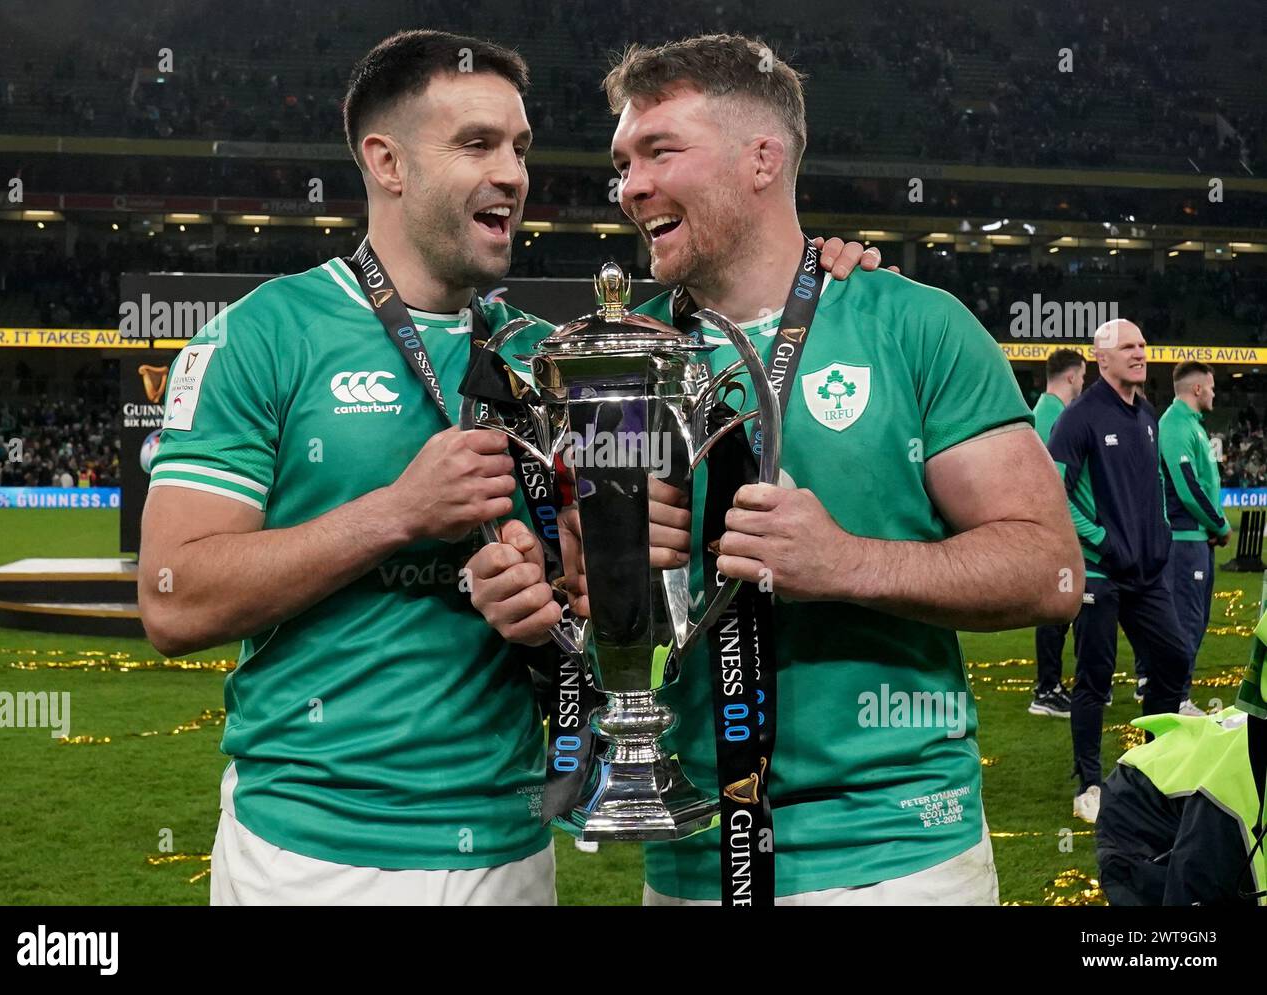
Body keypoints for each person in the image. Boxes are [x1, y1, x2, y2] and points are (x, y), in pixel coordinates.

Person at [139, 29, 887, 907]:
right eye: (477, 144)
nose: (513, 174)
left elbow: (600, 582)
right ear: (386, 161)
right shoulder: (258, 338)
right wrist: (398, 512)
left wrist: (825, 271)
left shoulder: (548, 360)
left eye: (521, 148)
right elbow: (173, 595)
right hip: (313, 849)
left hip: (513, 842)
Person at [467, 34, 1081, 906]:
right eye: (622, 163)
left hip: (895, 856)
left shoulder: (915, 325)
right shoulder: (615, 357)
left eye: (659, 150)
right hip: (682, 853)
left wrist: (849, 563)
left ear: (763, 158)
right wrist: (566, 584)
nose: (630, 186)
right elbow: (584, 591)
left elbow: (1048, 568)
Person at [1048, 319, 1190, 824]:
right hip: (1100, 574)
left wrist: (1163, 530)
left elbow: (1153, 479)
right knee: (1095, 680)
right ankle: (1089, 784)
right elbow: (1055, 497)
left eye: (1143, 345)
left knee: (1174, 659)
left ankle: (1153, 763)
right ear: (1100, 359)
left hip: (1147, 573)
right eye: (1127, 346)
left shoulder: (1147, 414)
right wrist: (1104, 541)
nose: (1140, 352)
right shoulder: (1078, 419)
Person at [1157, 360, 1231, 715]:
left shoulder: (1192, 426)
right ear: (1198, 388)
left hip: (1197, 539)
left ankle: (1174, 694)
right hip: (1184, 540)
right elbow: (1187, 488)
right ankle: (1176, 699)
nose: (1215, 393)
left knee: (1195, 620)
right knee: (1186, 621)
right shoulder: (1174, 424)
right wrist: (1218, 524)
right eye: (1212, 387)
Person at [1030, 348, 1086, 718]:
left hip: (1054, 527)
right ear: (1070, 376)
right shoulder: (1054, 417)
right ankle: (1046, 689)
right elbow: (1050, 486)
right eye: (1083, 376)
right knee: (1056, 610)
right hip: (1055, 529)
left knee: (1066, 609)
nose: (1084, 383)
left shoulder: (1045, 413)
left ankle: (1056, 685)